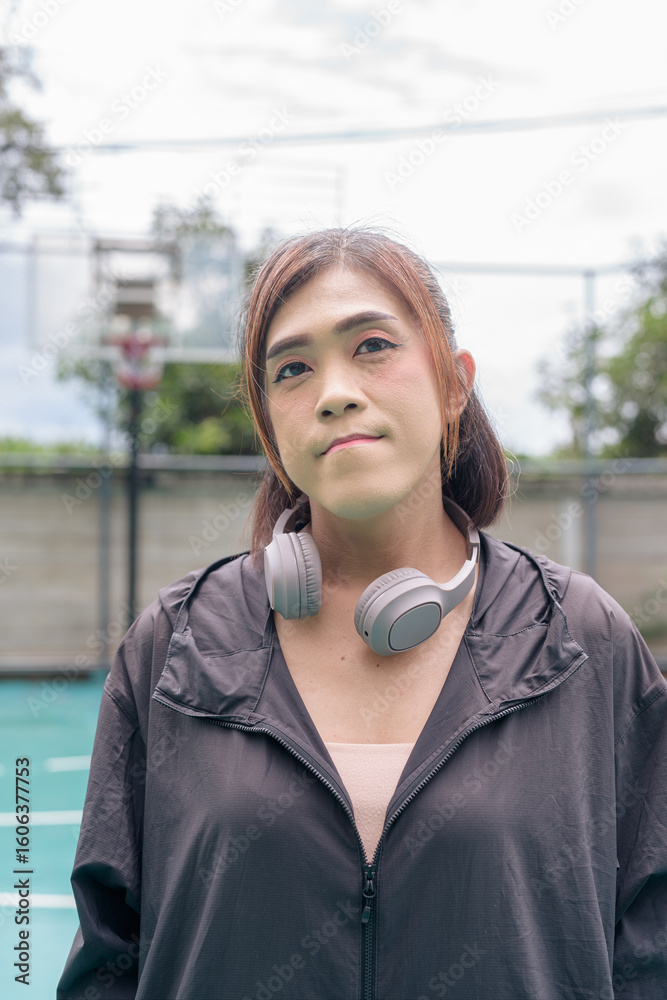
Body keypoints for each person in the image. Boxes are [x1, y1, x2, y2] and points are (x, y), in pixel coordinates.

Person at [58, 227, 667, 1000]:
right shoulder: (175, 642)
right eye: (292, 369)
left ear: (454, 383)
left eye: (372, 346)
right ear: (269, 426)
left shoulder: (581, 636)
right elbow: (107, 956)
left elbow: (650, 947)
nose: (334, 392)